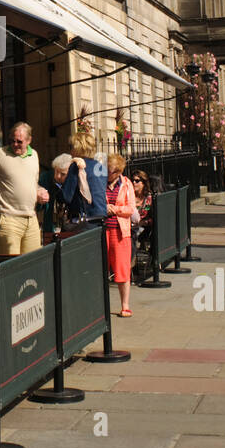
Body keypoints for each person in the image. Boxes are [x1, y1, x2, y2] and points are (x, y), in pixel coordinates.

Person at [0, 122, 50, 255]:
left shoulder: (34, 155)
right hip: (9, 220)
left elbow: (32, 182)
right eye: (12, 141)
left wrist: (39, 191)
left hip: (32, 219)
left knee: (33, 264)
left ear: (29, 140)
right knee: (11, 267)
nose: (15, 144)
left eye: (19, 141)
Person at [104, 153, 137, 317]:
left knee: (122, 269)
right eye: (110, 170)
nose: (111, 173)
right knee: (101, 268)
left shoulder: (126, 184)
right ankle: (101, 306)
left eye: (115, 171)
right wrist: (104, 207)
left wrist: (114, 209)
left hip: (120, 232)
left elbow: (131, 208)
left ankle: (125, 305)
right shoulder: (99, 182)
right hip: (102, 231)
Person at [60, 130, 107, 226]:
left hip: (83, 220)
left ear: (77, 148)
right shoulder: (100, 166)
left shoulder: (77, 166)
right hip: (100, 217)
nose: (70, 150)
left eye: (71, 147)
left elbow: (66, 196)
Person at [41, 153, 73, 235]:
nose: (58, 176)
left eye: (63, 174)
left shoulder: (74, 183)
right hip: (50, 228)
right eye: (57, 171)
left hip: (70, 228)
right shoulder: (45, 179)